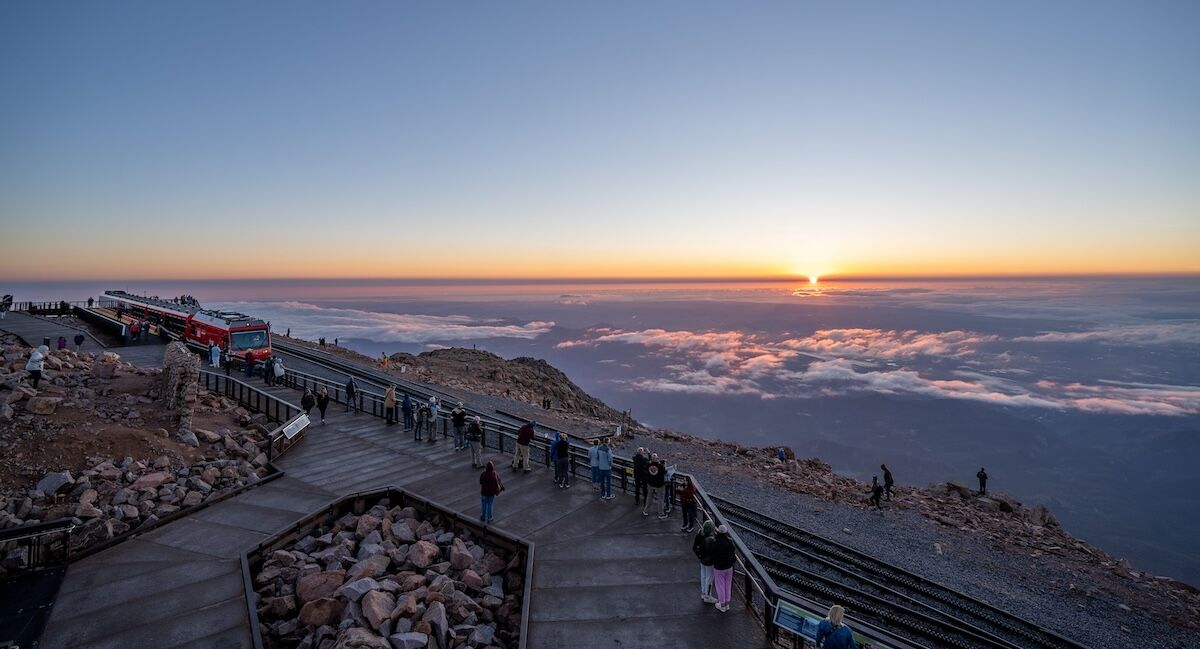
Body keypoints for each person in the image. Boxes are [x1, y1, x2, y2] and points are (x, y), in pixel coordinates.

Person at [710, 525, 736, 612]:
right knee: (728, 585)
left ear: (718, 532)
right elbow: (733, 554)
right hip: (729, 567)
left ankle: (722, 604)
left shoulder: (715, 543)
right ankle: (727, 603)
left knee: (720, 585)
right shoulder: (730, 542)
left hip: (719, 568)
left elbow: (712, 555)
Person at [692, 520, 717, 603]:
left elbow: (694, 547)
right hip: (709, 561)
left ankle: (703, 592)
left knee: (703, 575)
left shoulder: (699, 535)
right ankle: (708, 596)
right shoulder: (711, 540)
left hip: (702, 559)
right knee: (709, 578)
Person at [644, 453, 667, 518]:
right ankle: (661, 513)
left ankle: (646, 510)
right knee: (660, 499)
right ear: (657, 459)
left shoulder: (648, 465)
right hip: (659, 485)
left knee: (649, 497)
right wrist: (663, 464)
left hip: (650, 484)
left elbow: (646, 470)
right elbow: (664, 472)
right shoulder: (660, 466)